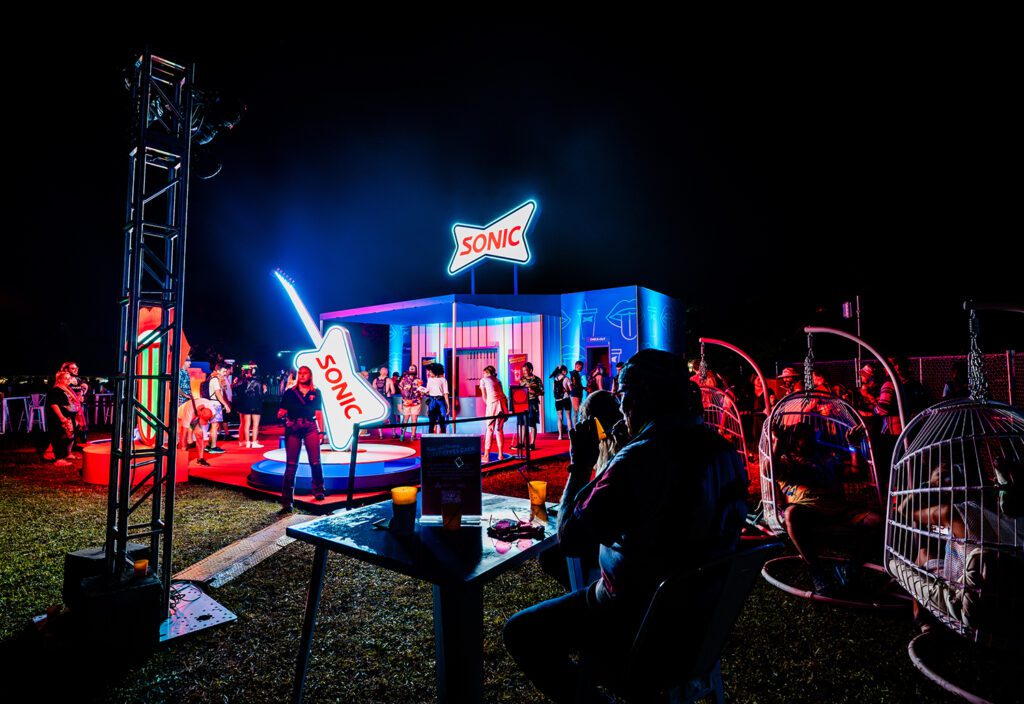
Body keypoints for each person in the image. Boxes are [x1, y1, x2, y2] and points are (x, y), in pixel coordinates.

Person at [504, 350, 749, 703]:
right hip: (700, 617)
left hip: (637, 619)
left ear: (644, 396)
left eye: (623, 396)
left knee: (521, 632)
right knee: (559, 563)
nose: (621, 408)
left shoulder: (642, 458)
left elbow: (571, 537)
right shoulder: (723, 450)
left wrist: (581, 465)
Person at [775, 422, 882, 595]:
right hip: (810, 511)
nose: (813, 437)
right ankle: (815, 569)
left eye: (813, 432)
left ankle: (849, 567)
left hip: (840, 509)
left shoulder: (825, 457)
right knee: (791, 513)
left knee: (879, 521)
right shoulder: (787, 461)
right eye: (806, 434)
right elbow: (770, 471)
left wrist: (853, 447)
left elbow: (856, 473)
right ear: (794, 440)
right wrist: (778, 442)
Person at [276, 366, 326, 512]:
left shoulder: (316, 392)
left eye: (305, 373)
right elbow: (281, 412)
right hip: (293, 428)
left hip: (310, 427)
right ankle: (286, 500)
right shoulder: (290, 392)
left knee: (315, 461)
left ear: (310, 375)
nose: (302, 375)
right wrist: (281, 415)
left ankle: (319, 491)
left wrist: (321, 432)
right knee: (291, 464)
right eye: (301, 373)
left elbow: (318, 413)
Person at [45, 370, 78, 467]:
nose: (68, 380)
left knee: (68, 436)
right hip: (60, 418)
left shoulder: (65, 389)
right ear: (59, 379)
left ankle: (64, 456)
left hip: (68, 417)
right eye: (65, 378)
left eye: (69, 378)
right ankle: (59, 459)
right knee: (60, 437)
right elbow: (54, 404)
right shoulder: (56, 390)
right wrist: (61, 417)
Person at [177, 396, 217, 467]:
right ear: (199, 413)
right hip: (181, 416)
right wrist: (184, 448)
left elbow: (212, 417)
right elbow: (183, 435)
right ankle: (180, 459)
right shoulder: (188, 411)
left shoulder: (210, 407)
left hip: (196, 416)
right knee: (182, 438)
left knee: (199, 435)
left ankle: (200, 459)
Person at [479, 365, 508, 461]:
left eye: (484, 373)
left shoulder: (483, 380)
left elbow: (484, 397)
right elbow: (502, 393)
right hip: (503, 403)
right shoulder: (498, 380)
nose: (483, 374)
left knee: (490, 429)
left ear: (487, 373)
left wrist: (489, 405)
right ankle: (500, 455)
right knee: (499, 430)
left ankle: (486, 456)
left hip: (492, 403)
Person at [236, 366, 266, 448]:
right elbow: (260, 394)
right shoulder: (259, 382)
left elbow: (238, 390)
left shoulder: (244, 381)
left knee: (246, 424)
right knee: (255, 425)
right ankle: (254, 442)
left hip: (246, 404)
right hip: (256, 404)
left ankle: (247, 442)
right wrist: (264, 392)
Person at [61, 362, 89, 448]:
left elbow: (84, 387)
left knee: (82, 423)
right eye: (73, 368)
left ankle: (80, 441)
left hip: (79, 405)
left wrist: (82, 394)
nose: (76, 370)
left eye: (76, 368)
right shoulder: (65, 380)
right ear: (66, 370)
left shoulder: (79, 380)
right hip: (70, 406)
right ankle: (68, 446)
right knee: (73, 424)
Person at [205, 363, 231, 454]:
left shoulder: (215, 378)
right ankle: (213, 447)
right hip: (215, 404)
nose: (225, 373)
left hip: (214, 403)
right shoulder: (216, 379)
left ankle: (209, 445)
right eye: (223, 371)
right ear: (218, 370)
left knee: (214, 426)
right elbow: (218, 394)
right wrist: (225, 404)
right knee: (215, 426)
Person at [519, 362, 544, 450]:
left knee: (532, 423)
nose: (524, 372)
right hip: (522, 403)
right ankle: (521, 443)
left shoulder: (537, 379)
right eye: (523, 371)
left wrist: (534, 392)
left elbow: (542, 392)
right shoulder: (522, 379)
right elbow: (518, 391)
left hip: (533, 402)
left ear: (530, 369)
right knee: (522, 423)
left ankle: (532, 443)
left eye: (525, 370)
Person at [398, 364, 423, 442]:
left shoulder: (419, 380)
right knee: (405, 419)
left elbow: (421, 391)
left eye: (413, 369)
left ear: (415, 370)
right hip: (407, 403)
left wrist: (420, 395)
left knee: (414, 419)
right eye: (410, 369)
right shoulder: (404, 380)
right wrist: (405, 397)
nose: (411, 370)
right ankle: (402, 434)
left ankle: (413, 436)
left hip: (416, 403)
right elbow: (400, 388)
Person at [424, 363, 450, 434]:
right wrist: (423, 391)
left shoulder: (443, 380)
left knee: (442, 422)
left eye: (431, 371)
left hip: (440, 401)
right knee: (431, 422)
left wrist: (448, 406)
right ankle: (430, 439)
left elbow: (445, 393)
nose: (430, 373)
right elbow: (427, 391)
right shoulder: (430, 380)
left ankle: (443, 438)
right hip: (432, 401)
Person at [372, 367, 396, 439]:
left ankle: (380, 435)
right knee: (391, 416)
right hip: (387, 399)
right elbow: (393, 392)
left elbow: (374, 391)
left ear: (380, 372)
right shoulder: (389, 380)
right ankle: (394, 433)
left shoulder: (375, 380)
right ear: (387, 372)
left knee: (380, 416)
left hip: (379, 400)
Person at [550, 365, 571, 440]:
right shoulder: (567, 379)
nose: (566, 372)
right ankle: (570, 435)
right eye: (565, 370)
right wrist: (567, 390)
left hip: (558, 400)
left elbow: (553, 391)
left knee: (559, 417)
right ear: (562, 371)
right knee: (568, 417)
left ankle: (560, 435)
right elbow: (570, 390)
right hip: (566, 399)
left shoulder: (554, 380)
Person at [568, 361, 585, 428]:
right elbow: (575, 384)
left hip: (578, 394)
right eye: (581, 367)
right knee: (576, 411)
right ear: (577, 366)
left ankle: (576, 427)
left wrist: (583, 388)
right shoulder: (574, 374)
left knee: (578, 411)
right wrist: (583, 387)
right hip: (575, 394)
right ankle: (575, 428)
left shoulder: (577, 374)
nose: (582, 368)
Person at [390, 371, 403, 438]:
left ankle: (398, 423)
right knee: (396, 412)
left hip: (397, 396)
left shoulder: (396, 381)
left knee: (398, 412)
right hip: (395, 397)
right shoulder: (391, 381)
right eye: (396, 376)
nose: (396, 377)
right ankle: (396, 424)